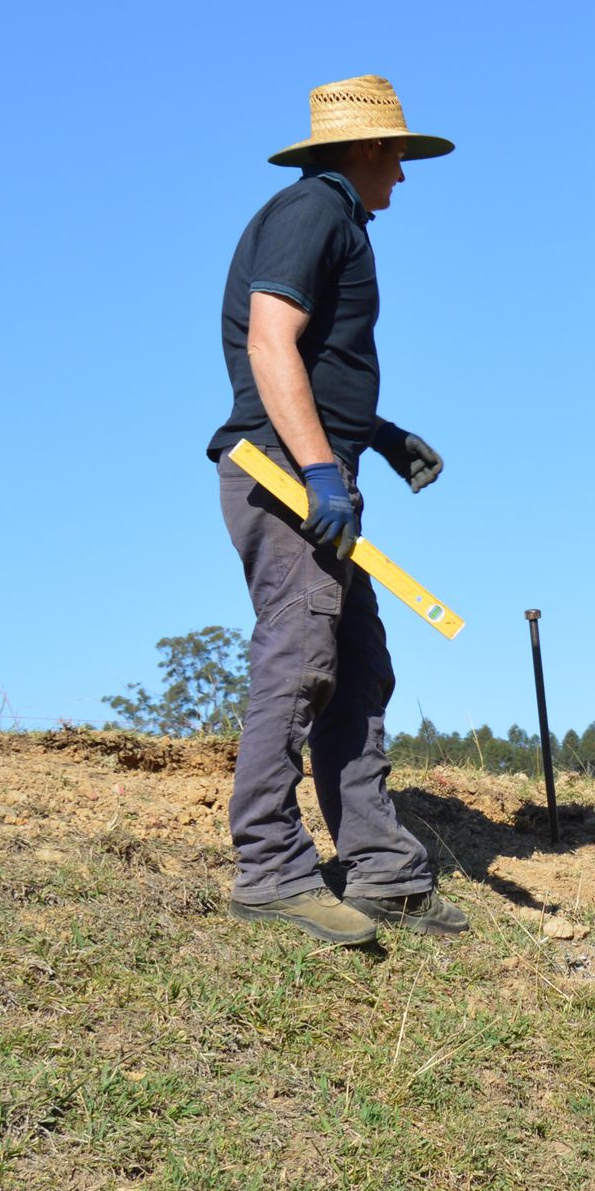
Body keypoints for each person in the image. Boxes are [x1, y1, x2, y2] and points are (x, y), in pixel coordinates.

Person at [207, 75, 467, 946]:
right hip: (287, 477)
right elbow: (269, 340)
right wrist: (320, 469)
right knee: (301, 659)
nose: (404, 172)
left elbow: (313, 362)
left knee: (356, 667)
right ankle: (269, 869)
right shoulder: (313, 208)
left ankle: (384, 872)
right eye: (397, 153)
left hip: (319, 470)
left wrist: (379, 437)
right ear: (365, 147)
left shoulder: (337, 218)